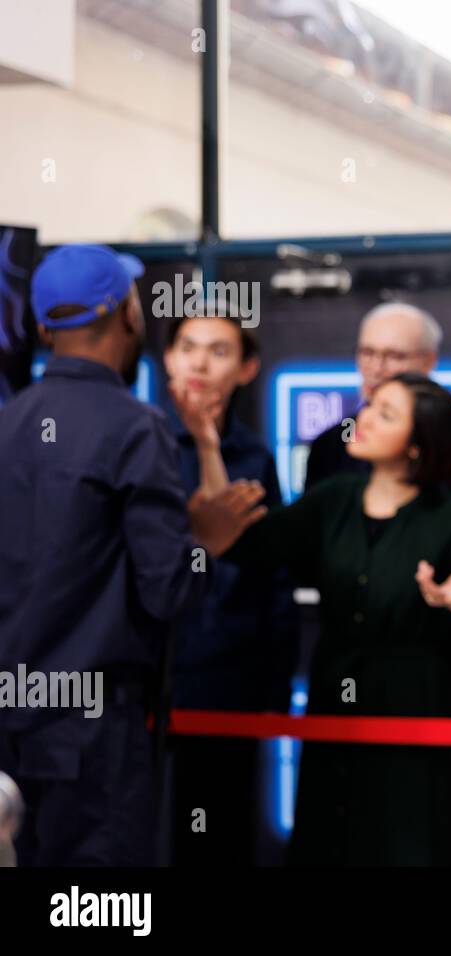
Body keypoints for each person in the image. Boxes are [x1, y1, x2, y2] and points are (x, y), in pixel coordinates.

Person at [185, 371, 451, 865]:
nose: (362, 419)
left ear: (416, 446)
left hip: (414, 705)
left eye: (385, 414)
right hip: (335, 698)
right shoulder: (333, 498)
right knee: (331, 836)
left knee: (406, 838)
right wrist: (207, 445)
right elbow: (240, 539)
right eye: (370, 406)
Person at [0, 244, 263, 866]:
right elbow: (169, 588)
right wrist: (204, 543)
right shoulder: (132, 427)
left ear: (43, 327)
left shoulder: (9, 425)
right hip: (92, 732)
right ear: (127, 313)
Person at [305, 302, 451, 717]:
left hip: (444, 674)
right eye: (367, 353)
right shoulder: (331, 449)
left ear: (429, 362)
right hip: (343, 675)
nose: (377, 368)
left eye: (393, 356)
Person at [161, 309, 298, 866]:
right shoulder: (141, 442)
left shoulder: (255, 457)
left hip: (230, 675)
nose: (199, 362)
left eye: (218, 351)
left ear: (246, 368)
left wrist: (276, 680)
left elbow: (272, 572)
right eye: (187, 347)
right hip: (152, 670)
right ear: (167, 358)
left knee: (221, 826)